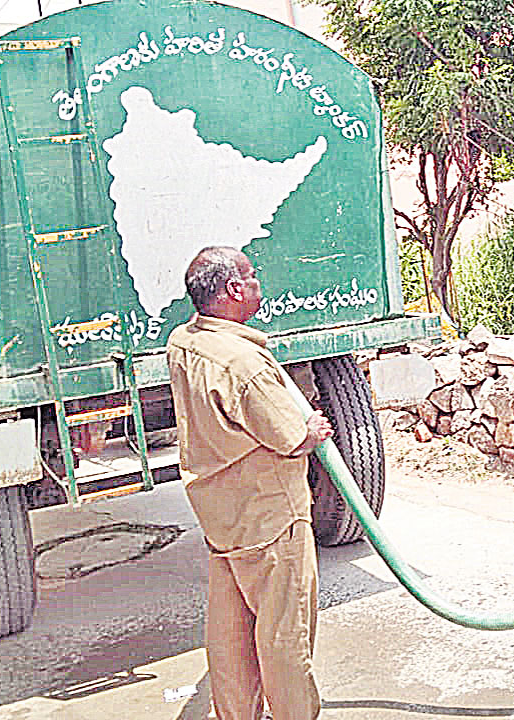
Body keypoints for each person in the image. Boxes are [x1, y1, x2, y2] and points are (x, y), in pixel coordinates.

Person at [167, 246, 333, 720]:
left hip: (221, 514)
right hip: (270, 516)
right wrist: (314, 431)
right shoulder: (245, 365)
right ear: (235, 290)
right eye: (252, 276)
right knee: (284, 632)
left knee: (231, 632)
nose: (259, 282)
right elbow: (291, 437)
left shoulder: (184, 340)